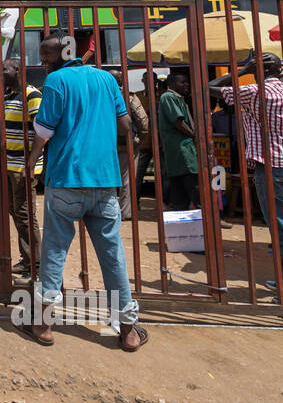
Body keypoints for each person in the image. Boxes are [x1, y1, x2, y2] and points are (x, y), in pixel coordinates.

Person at [24, 34, 146, 351]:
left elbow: (44, 130)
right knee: (113, 256)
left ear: (63, 54)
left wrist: (32, 161)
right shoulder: (106, 80)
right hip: (104, 181)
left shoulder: (56, 82)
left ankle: (43, 323)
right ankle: (129, 329)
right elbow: (125, 125)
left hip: (66, 178)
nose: (43, 61)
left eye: (46, 55)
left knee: (53, 252)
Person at [210, 52, 283, 303]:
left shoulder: (256, 91)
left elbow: (210, 87)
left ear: (259, 69)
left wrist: (243, 68)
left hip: (273, 168)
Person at [0, 59, 41, 275]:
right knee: (16, 211)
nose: (0, 74)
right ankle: (27, 258)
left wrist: (29, 164)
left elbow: (41, 131)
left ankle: (36, 265)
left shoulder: (32, 95)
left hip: (23, 167)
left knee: (25, 214)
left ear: (18, 70)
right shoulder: (8, 95)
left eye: (4, 69)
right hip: (9, 165)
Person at [109, 70, 150, 219]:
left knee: (108, 179)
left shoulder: (99, 95)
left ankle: (108, 211)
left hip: (105, 145)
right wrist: (140, 138)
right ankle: (125, 213)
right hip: (127, 144)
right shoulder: (129, 97)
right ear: (121, 81)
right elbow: (143, 120)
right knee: (127, 180)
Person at [157, 70, 199, 211]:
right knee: (192, 185)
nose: (186, 85)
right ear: (172, 84)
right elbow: (178, 121)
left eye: (187, 82)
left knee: (181, 189)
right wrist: (194, 135)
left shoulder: (179, 98)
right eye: (183, 82)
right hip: (181, 149)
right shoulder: (168, 97)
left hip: (183, 148)